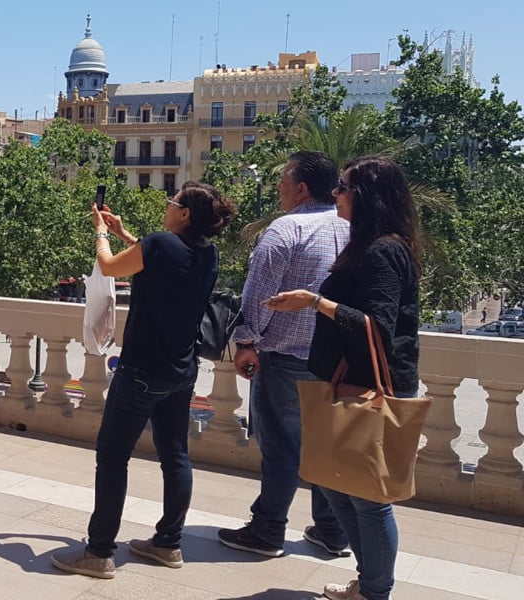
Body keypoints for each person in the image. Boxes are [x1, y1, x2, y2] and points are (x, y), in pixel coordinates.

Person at [52, 182, 236, 578]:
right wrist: (123, 234)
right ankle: (168, 543)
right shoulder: (206, 253)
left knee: (114, 455)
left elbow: (109, 265)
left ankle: (99, 551)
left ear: (184, 213)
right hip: (181, 371)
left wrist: (101, 233)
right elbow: (156, 262)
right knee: (175, 455)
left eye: (172, 203)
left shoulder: (159, 244)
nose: (167, 208)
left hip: (141, 370)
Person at [264, 156, 421, 600]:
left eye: (343, 187)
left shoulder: (383, 251)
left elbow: (378, 326)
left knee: (369, 498)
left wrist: (314, 301)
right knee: (333, 484)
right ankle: (368, 579)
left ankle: (374, 591)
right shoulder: (367, 245)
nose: (334, 193)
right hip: (347, 381)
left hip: (368, 387)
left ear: (366, 196)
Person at [218, 151, 351, 558]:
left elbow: (260, 295)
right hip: (336, 362)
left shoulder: (286, 229)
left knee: (281, 448)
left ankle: (268, 530)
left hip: (286, 359)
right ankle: (332, 530)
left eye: (283, 179)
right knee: (325, 448)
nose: (278, 186)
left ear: (302, 187)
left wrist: (245, 342)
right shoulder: (353, 229)